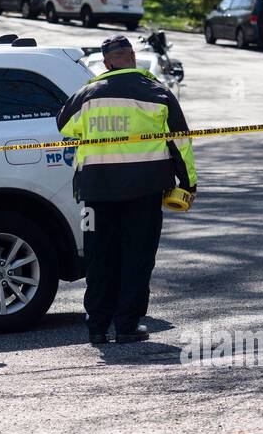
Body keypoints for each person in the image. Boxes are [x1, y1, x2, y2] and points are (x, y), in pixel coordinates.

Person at [57, 35, 197, 345]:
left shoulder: (87, 95)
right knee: (137, 256)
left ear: (106, 63)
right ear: (132, 57)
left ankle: (96, 325)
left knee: (98, 256)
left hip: (96, 193)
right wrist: (188, 183)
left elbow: (63, 126)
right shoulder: (158, 93)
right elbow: (180, 142)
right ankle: (126, 325)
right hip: (144, 191)